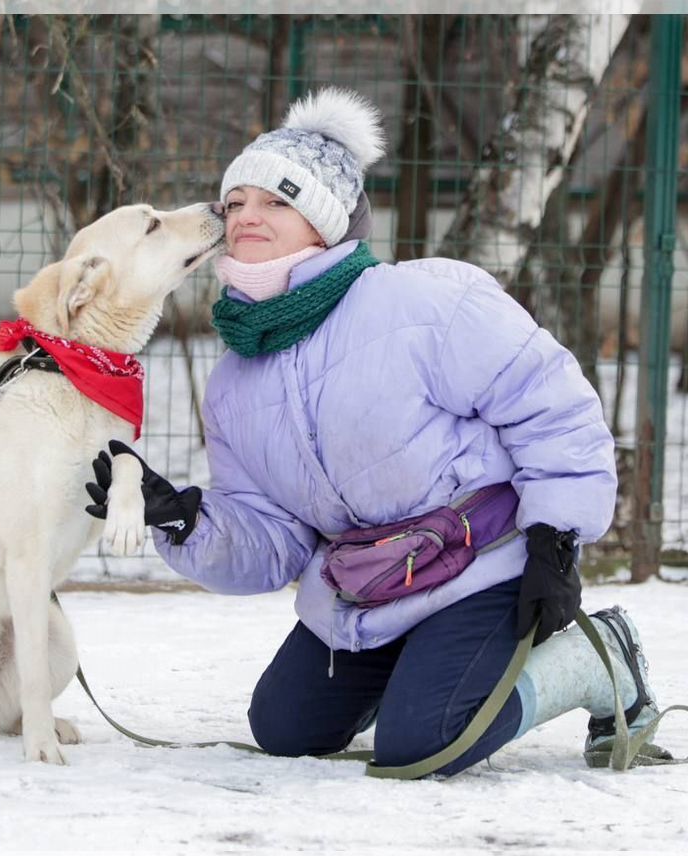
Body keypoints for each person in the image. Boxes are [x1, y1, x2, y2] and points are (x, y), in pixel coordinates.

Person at [85, 87, 660, 776]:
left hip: (487, 562)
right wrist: (184, 519)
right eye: (234, 203)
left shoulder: (423, 299)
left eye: (275, 201)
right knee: (285, 728)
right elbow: (274, 539)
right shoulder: (235, 381)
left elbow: (552, 407)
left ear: (324, 220)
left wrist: (556, 538)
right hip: (369, 584)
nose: (245, 216)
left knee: (426, 741)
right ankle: (431, 667)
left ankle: (600, 661)